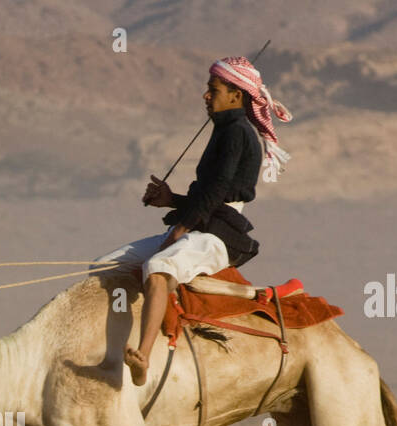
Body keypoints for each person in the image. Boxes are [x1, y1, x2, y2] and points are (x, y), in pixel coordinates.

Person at [99, 56, 292, 386]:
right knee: (105, 266)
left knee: (159, 270)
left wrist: (183, 227)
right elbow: (210, 194)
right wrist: (170, 200)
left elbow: (218, 193)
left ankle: (143, 357)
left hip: (219, 235)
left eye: (212, 89)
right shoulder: (223, 131)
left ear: (236, 95)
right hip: (202, 223)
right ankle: (110, 349)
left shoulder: (237, 133)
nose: (206, 95)